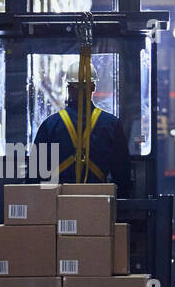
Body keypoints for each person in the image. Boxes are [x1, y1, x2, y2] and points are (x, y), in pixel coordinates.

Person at [33, 59, 132, 197]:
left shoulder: (50, 125)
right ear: (93, 87)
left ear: (69, 88)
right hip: (99, 204)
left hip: (59, 203)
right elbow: (122, 175)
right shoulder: (111, 125)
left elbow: (35, 175)